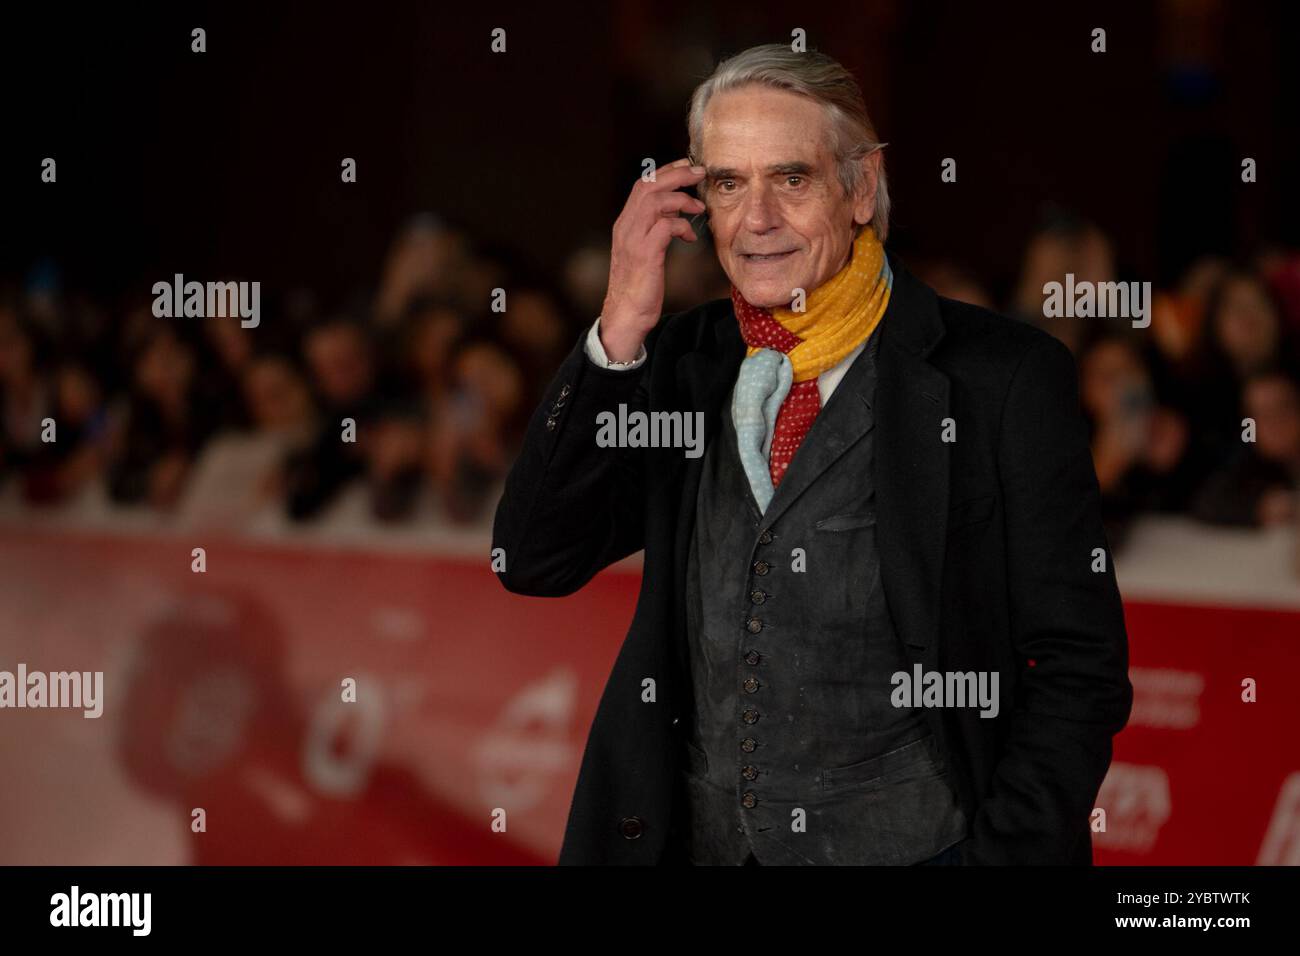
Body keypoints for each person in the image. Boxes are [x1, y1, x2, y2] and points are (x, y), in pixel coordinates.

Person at [493, 44, 1132, 865]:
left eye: (790, 178)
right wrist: (618, 325)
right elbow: (533, 556)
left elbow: (1079, 667)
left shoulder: (1000, 381)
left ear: (861, 187)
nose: (756, 219)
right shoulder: (684, 363)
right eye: (728, 184)